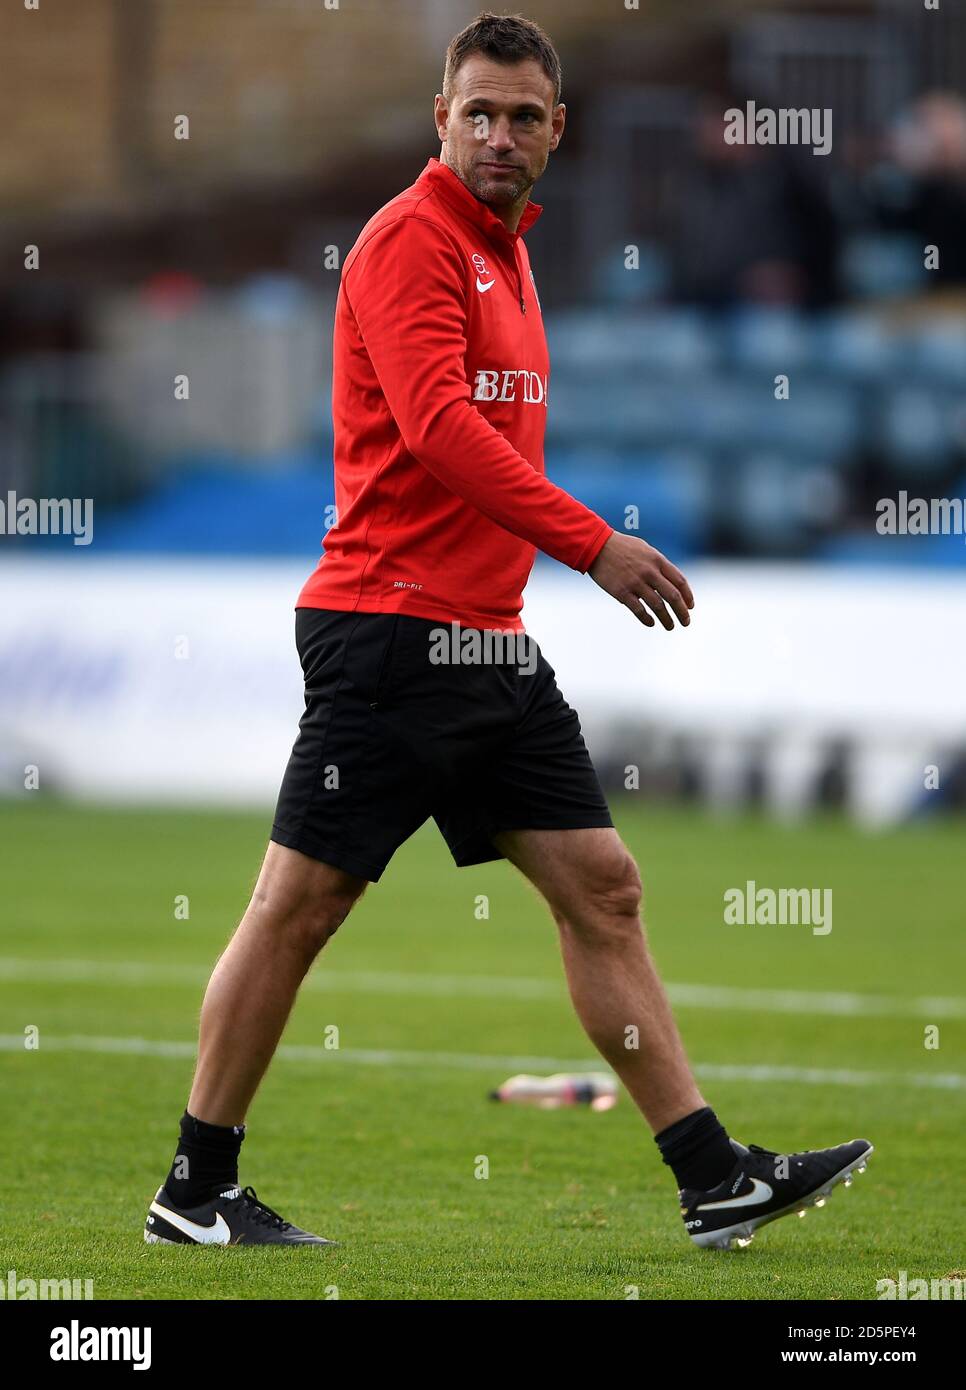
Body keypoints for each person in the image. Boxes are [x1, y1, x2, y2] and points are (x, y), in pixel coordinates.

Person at [145, 11, 871, 1252]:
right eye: (476, 111)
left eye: (522, 115)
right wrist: (595, 542)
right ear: (441, 118)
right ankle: (194, 1189)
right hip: (391, 631)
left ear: (556, 132)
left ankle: (711, 1176)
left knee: (605, 889)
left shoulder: (510, 253)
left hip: (483, 638)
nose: (497, 134)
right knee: (298, 906)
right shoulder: (408, 244)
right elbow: (436, 430)